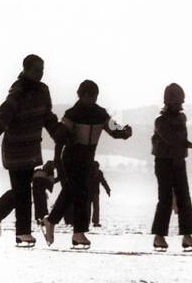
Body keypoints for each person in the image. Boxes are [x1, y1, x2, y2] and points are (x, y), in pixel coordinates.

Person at [0, 54, 62, 248]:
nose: (40, 74)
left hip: (30, 149)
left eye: (42, 70)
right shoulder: (18, 93)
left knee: (22, 191)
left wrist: (59, 133)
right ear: (26, 69)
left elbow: (48, 117)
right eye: (36, 70)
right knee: (22, 191)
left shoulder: (42, 92)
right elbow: (1, 119)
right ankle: (11, 225)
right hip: (15, 149)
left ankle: (13, 226)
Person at [42, 80, 131, 248]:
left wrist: (125, 133)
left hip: (88, 159)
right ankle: (78, 233)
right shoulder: (72, 114)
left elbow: (114, 129)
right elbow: (60, 138)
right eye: (89, 96)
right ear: (81, 95)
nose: (92, 100)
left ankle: (51, 221)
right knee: (82, 193)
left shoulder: (101, 113)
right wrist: (56, 159)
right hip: (71, 157)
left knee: (70, 192)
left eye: (95, 96)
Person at [150, 82, 192, 251]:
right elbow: (171, 139)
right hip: (164, 162)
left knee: (184, 198)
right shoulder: (160, 121)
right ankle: (159, 237)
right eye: (178, 102)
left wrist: (189, 145)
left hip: (179, 161)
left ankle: (187, 236)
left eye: (181, 102)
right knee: (165, 199)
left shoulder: (182, 118)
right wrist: (187, 144)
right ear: (168, 103)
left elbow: (180, 139)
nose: (180, 106)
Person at [31, 160, 58, 227]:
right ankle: (43, 220)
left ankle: (38, 219)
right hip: (41, 190)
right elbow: (51, 182)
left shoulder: (37, 170)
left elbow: (31, 178)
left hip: (35, 189)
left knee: (37, 205)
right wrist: (60, 178)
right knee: (43, 205)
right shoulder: (49, 172)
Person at [89, 160, 111, 228]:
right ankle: (89, 222)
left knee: (96, 208)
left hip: (95, 193)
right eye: (95, 167)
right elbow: (103, 182)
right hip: (89, 192)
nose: (96, 169)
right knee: (89, 208)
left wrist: (108, 190)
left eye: (97, 167)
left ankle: (95, 222)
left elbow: (103, 182)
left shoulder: (99, 173)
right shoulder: (89, 172)